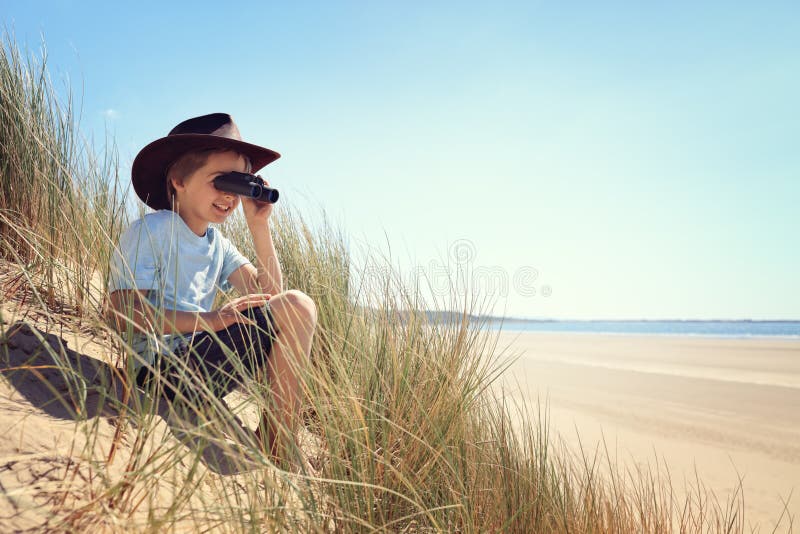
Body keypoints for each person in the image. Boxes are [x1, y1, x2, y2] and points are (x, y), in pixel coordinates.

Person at [106, 112, 317, 462]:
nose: (230, 196)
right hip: (157, 371)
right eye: (221, 181)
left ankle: (277, 438)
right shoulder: (153, 230)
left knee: (299, 307)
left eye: (238, 184)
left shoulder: (217, 245)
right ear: (179, 180)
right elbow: (123, 315)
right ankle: (277, 448)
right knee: (297, 305)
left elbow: (273, 297)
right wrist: (213, 319)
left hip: (200, 370)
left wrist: (258, 226)